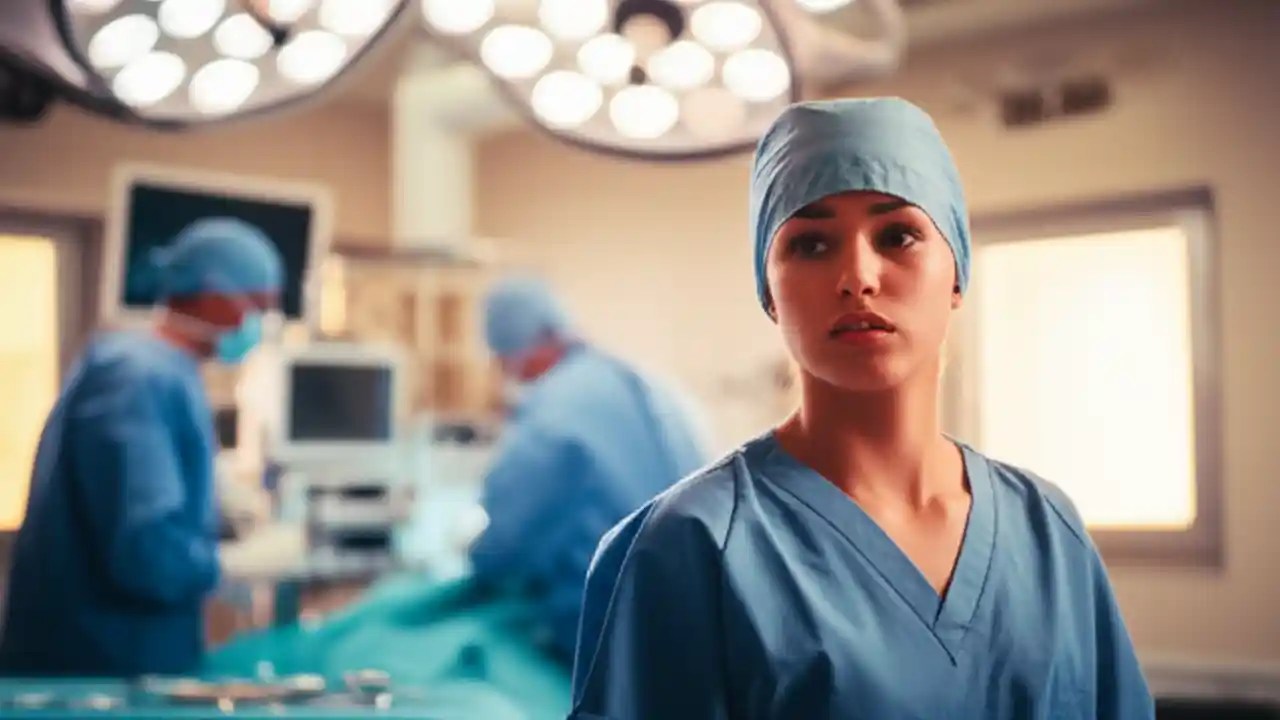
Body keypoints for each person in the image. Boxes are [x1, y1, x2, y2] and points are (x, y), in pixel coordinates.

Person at [568, 98, 1154, 719]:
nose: (857, 276)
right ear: (769, 292)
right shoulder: (692, 547)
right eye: (812, 244)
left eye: (898, 235)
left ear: (957, 273)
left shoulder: (1046, 531)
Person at [0, 218, 284, 677]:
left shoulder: (162, 371)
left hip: (134, 658)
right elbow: (147, 557)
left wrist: (219, 506)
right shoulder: (140, 379)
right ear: (214, 295)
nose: (263, 323)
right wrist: (230, 564)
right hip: (97, 668)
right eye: (259, 305)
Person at [469, 276, 711, 664]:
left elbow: (504, 541)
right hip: (694, 612)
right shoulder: (645, 386)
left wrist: (474, 566)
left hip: (609, 624)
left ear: (516, 351)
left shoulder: (553, 411)